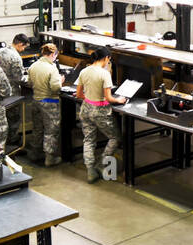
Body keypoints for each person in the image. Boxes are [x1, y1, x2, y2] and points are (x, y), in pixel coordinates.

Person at [75, 46, 126, 183]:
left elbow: (79, 94)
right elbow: (109, 98)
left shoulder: (84, 71)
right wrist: (119, 100)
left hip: (85, 109)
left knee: (89, 139)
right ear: (106, 58)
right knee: (115, 137)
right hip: (101, 112)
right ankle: (101, 163)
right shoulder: (104, 74)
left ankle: (90, 170)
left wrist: (89, 98)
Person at [27, 40, 63, 166]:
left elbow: (29, 83)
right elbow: (55, 88)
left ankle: (34, 153)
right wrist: (60, 80)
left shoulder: (33, 66)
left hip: (36, 100)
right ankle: (49, 158)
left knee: (37, 128)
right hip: (49, 102)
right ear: (53, 54)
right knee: (51, 130)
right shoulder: (52, 69)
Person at [0, 34, 26, 139]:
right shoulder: (16, 57)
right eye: (24, 47)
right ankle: (12, 142)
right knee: (13, 119)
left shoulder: (0, 51)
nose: (24, 49)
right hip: (12, 94)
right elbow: (19, 78)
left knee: (0, 120)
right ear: (20, 44)